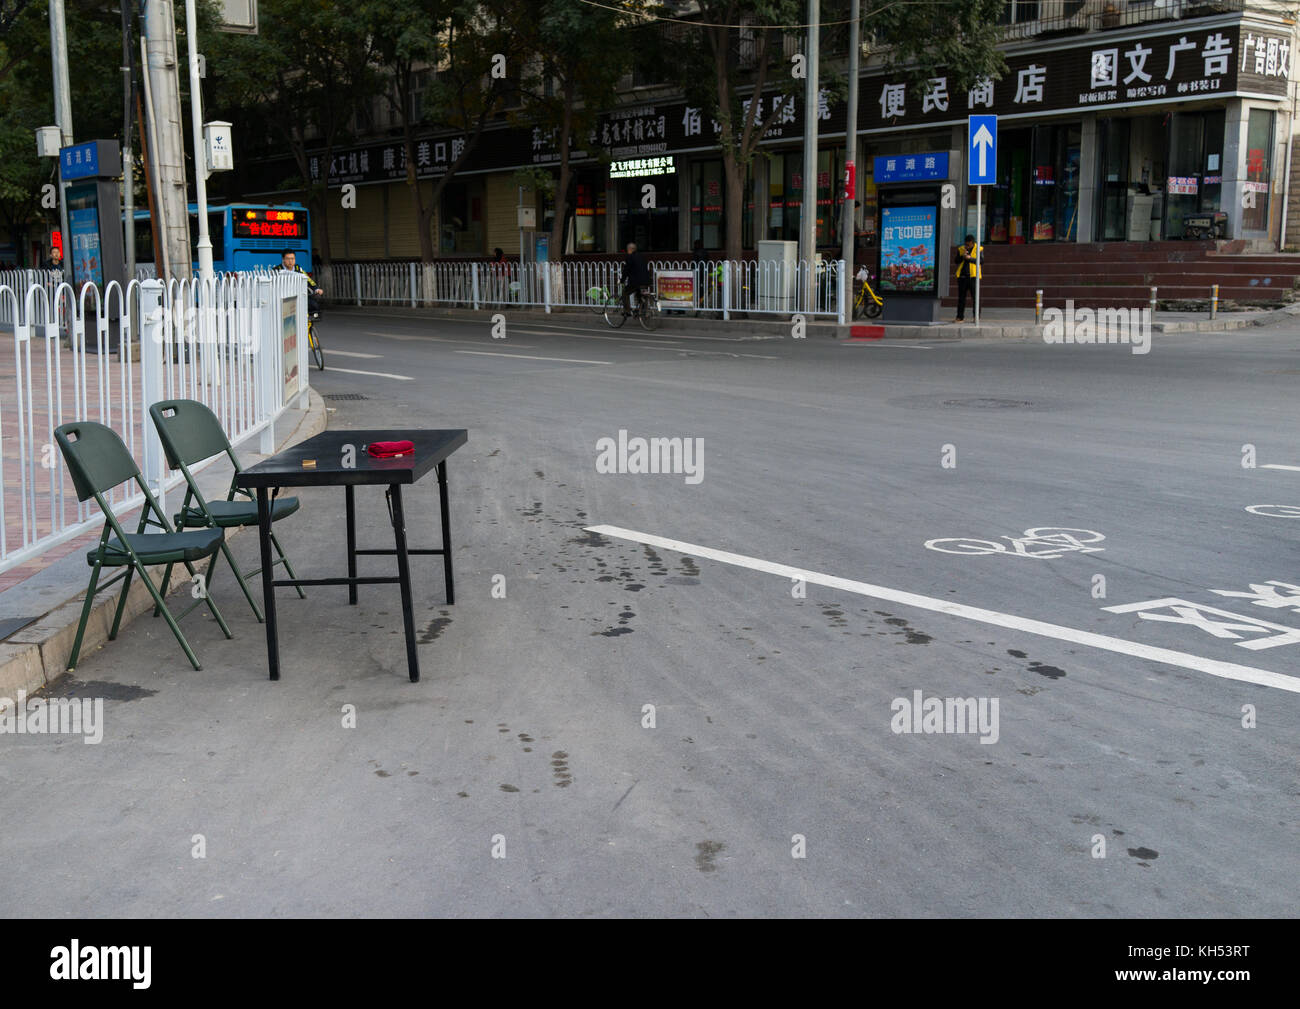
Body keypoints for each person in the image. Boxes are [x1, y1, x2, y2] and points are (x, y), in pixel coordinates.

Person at [278, 249, 324, 314]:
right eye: (288, 259)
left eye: (292, 258)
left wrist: (316, 289)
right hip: (284, 298)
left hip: (299, 295)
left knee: (314, 306)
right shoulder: (277, 269)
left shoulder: (298, 268)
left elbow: (308, 279)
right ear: (283, 259)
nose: (290, 261)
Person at [953, 233, 982, 322]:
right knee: (961, 298)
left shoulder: (979, 249)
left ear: (973, 243)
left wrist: (970, 258)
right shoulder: (961, 249)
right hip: (962, 277)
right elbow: (956, 261)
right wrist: (963, 256)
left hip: (974, 276)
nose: (967, 246)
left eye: (969, 245)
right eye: (966, 244)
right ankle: (960, 317)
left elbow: (981, 261)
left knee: (975, 297)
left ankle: (976, 317)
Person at [619, 241, 650, 316]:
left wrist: (622, 280)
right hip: (646, 281)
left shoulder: (630, 257)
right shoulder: (642, 256)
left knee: (625, 293)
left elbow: (626, 270)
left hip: (636, 282)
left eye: (627, 250)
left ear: (629, 249)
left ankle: (627, 311)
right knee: (640, 295)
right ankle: (643, 312)